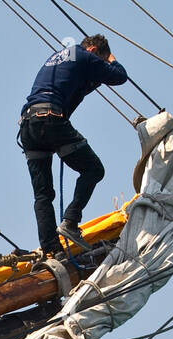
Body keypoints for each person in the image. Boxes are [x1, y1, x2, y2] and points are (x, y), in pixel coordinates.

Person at [18, 33, 128, 255]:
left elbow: (77, 85)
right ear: (94, 51)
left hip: (28, 126)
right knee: (94, 169)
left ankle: (52, 249)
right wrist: (111, 60)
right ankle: (70, 221)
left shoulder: (59, 57)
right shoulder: (87, 56)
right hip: (50, 120)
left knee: (43, 195)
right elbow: (120, 77)